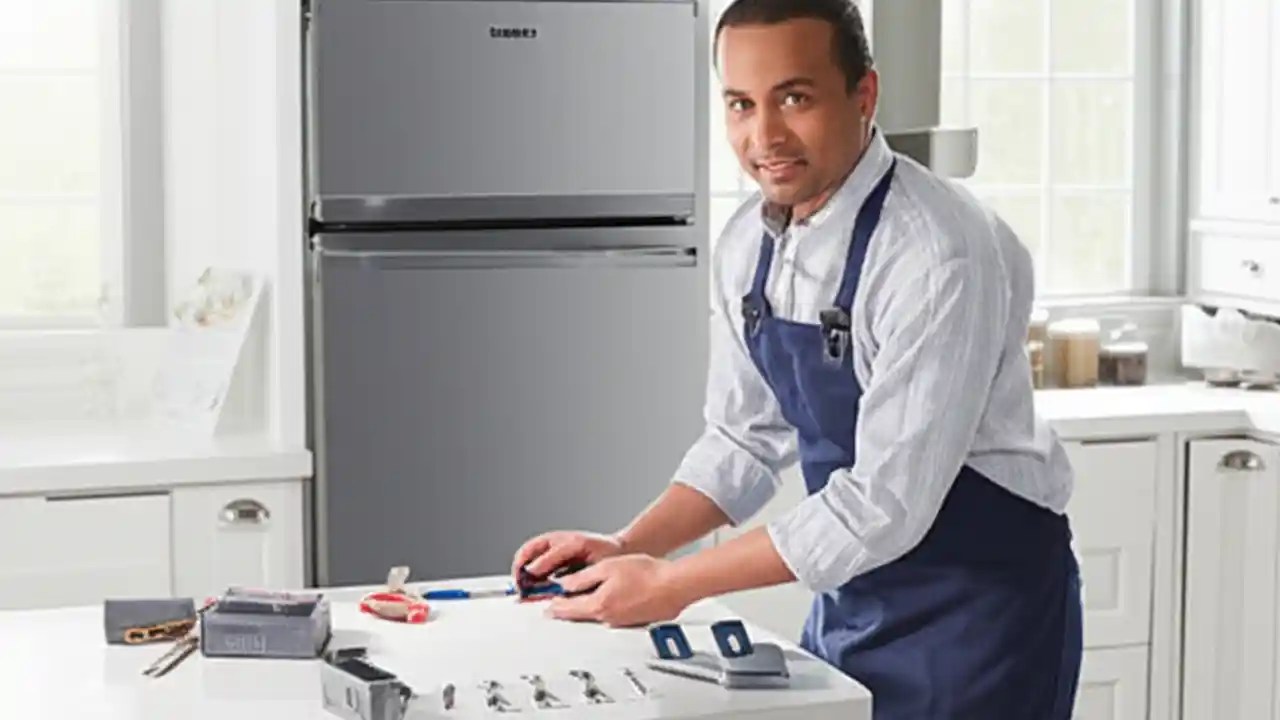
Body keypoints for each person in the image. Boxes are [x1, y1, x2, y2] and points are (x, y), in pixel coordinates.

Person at [511, 0, 1083, 716]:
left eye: (794, 97)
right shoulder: (749, 242)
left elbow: (883, 506)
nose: (764, 135)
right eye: (741, 105)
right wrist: (628, 545)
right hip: (855, 599)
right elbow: (742, 441)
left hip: (980, 614)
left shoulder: (938, 252)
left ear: (864, 94)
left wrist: (674, 584)